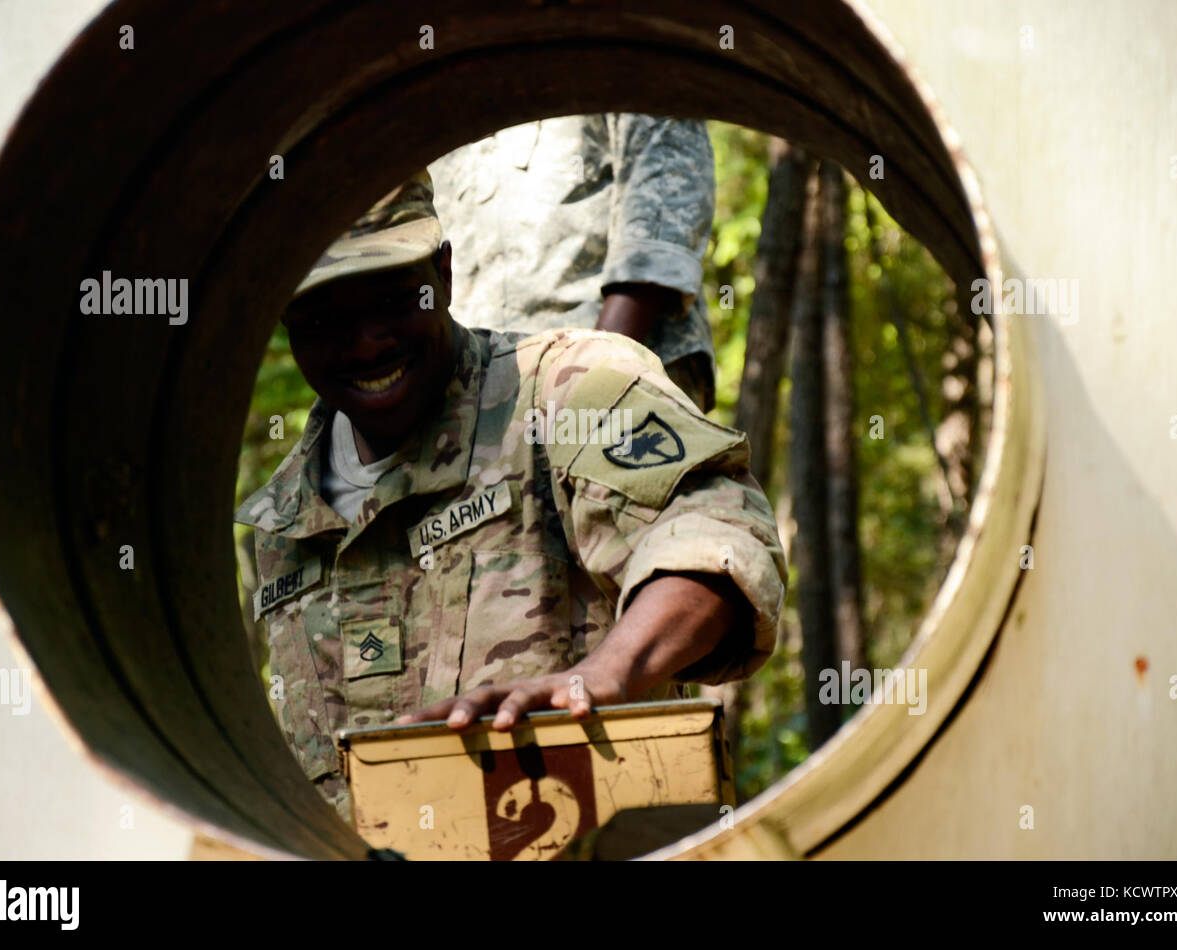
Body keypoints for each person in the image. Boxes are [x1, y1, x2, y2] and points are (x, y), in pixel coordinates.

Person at [235, 173, 786, 822]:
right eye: (327, 317)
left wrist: (609, 673)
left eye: (390, 298)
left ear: (442, 273)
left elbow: (716, 528)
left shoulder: (569, 390)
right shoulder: (280, 526)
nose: (367, 342)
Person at [429, 114, 718, 412]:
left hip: (626, 390)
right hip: (478, 409)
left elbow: (663, 220)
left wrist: (591, 391)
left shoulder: (612, 72)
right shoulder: (439, 94)